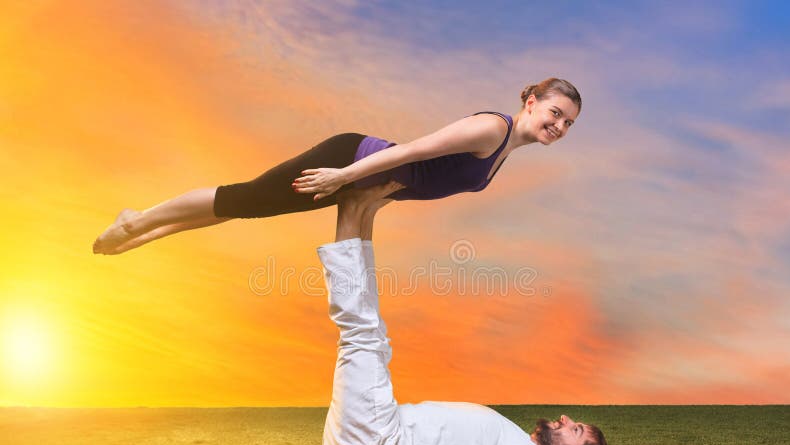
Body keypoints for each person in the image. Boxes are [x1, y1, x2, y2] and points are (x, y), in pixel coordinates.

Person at [319, 180, 611, 445]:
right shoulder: (518, 443)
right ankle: (364, 211)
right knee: (373, 336)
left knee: (362, 333)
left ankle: (351, 207)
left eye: (574, 430)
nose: (565, 419)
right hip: (377, 437)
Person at [92, 78, 580, 255]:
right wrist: (344, 176)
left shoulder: (504, 153)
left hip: (359, 179)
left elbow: (419, 181)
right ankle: (136, 221)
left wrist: (371, 203)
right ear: (532, 101)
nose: (558, 125)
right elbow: (415, 150)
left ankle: (142, 233)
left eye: (568, 123)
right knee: (243, 197)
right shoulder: (492, 129)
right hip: (347, 160)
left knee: (249, 207)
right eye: (555, 112)